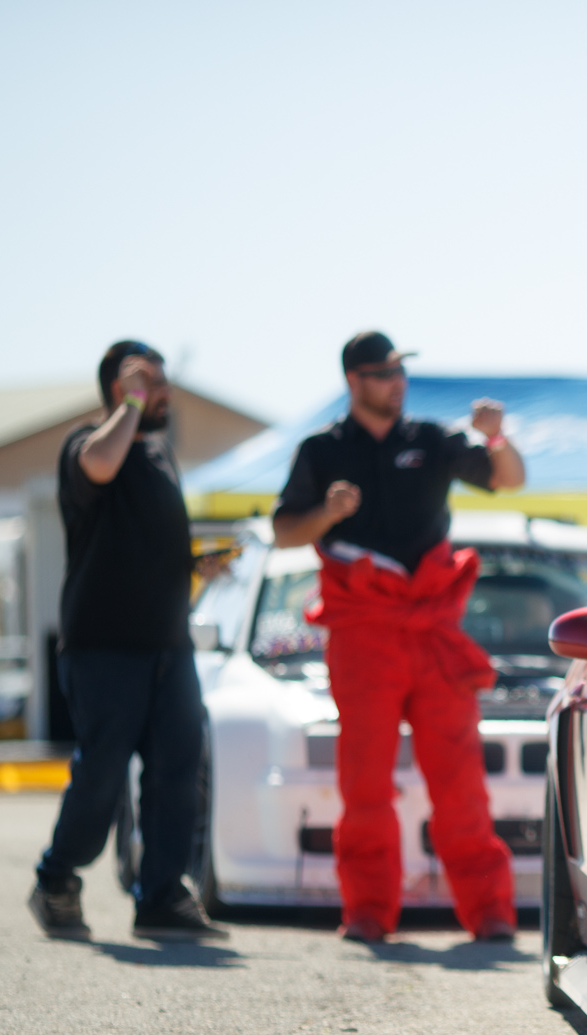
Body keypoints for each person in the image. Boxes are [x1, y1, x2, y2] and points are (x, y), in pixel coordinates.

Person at [271, 332, 526, 944]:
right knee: (364, 784)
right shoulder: (320, 449)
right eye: (384, 373)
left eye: (400, 371)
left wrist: (496, 435)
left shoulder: (431, 439)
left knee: (460, 781)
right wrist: (326, 515)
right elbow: (283, 531)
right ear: (355, 381)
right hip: (364, 636)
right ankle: (367, 912)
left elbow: (509, 479)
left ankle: (490, 913)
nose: (397, 381)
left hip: (433, 629)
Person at [27, 341, 229, 941]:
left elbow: (145, 552)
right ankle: (57, 879)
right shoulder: (88, 445)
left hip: (169, 647)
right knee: (104, 777)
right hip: (103, 650)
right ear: (117, 390)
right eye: (146, 380)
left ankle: (161, 896)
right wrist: (132, 403)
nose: (162, 391)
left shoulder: (161, 456)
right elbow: (99, 465)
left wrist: (196, 567)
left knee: (176, 771)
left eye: (162, 382)